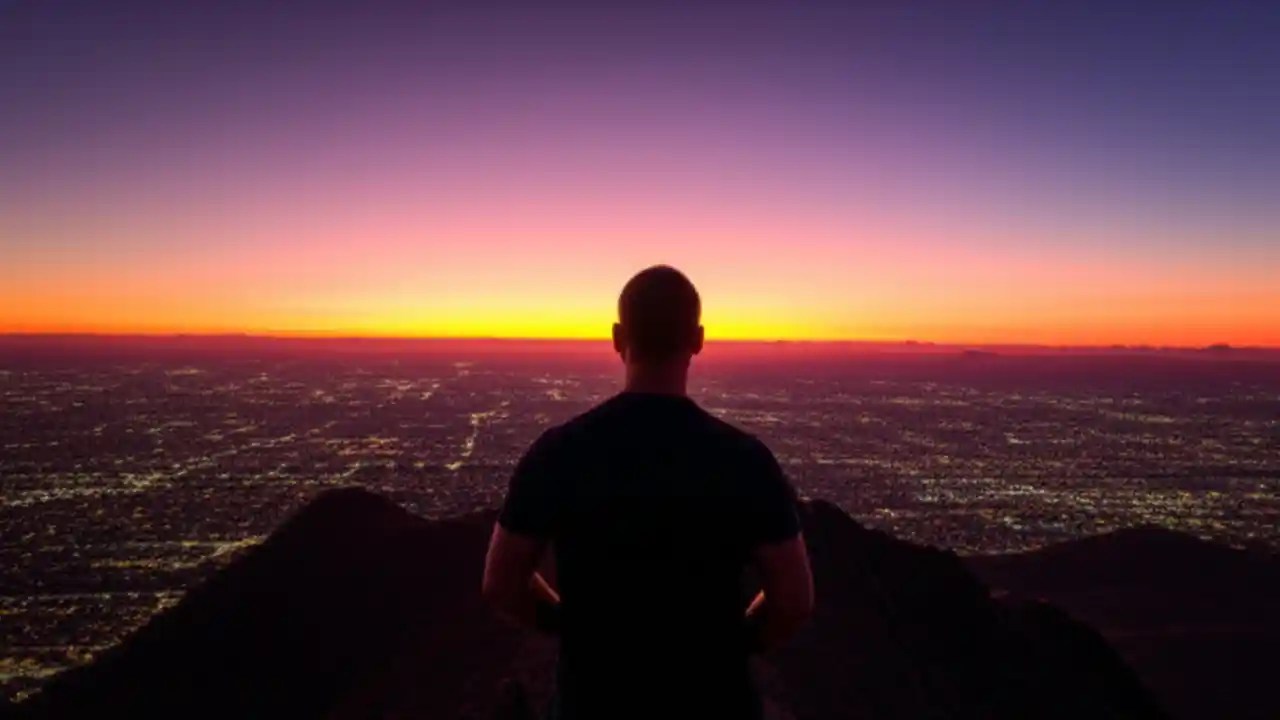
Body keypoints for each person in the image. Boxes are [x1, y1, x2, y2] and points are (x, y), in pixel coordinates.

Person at [482, 265, 814, 719]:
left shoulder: (559, 453)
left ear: (618, 337)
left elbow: (501, 582)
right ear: (698, 339)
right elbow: (794, 599)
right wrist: (727, 646)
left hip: (592, 703)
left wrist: (577, 628)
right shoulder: (744, 460)